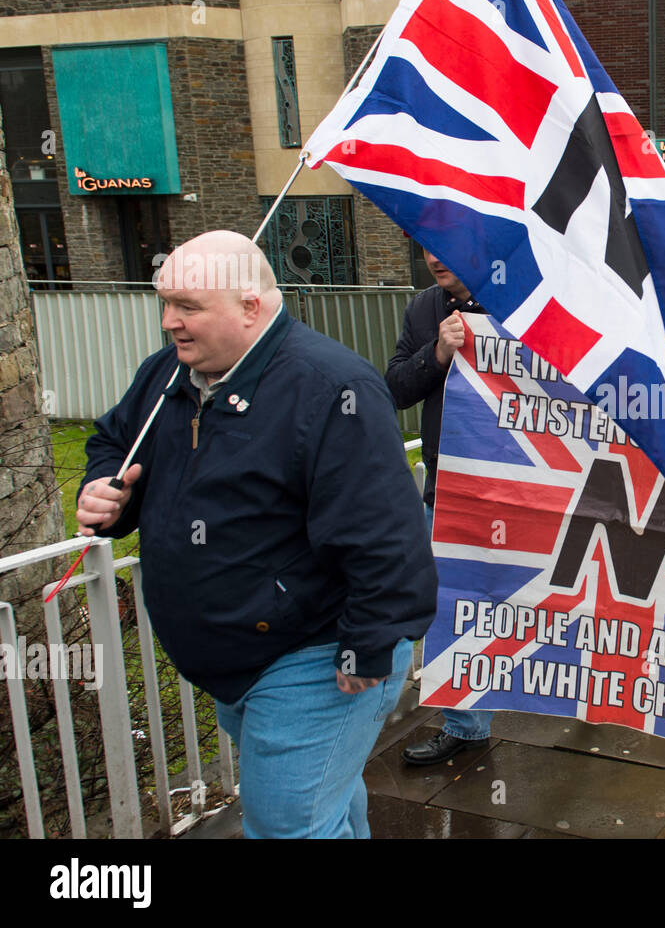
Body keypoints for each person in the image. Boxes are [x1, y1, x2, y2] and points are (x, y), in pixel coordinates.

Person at [76, 230, 437, 838]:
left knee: (285, 827)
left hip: (314, 657)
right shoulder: (167, 375)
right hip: (233, 660)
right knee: (330, 797)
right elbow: (114, 440)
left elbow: (385, 536)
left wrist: (368, 646)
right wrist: (106, 491)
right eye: (164, 303)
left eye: (187, 306)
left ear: (251, 305)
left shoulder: (330, 389)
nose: (169, 322)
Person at [386, 248, 495, 766]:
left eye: (446, 245)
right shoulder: (423, 308)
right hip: (450, 485)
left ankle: (571, 693)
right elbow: (396, 388)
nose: (433, 256)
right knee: (453, 603)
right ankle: (466, 725)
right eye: (425, 244)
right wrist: (438, 354)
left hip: (524, 486)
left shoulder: (519, 298)